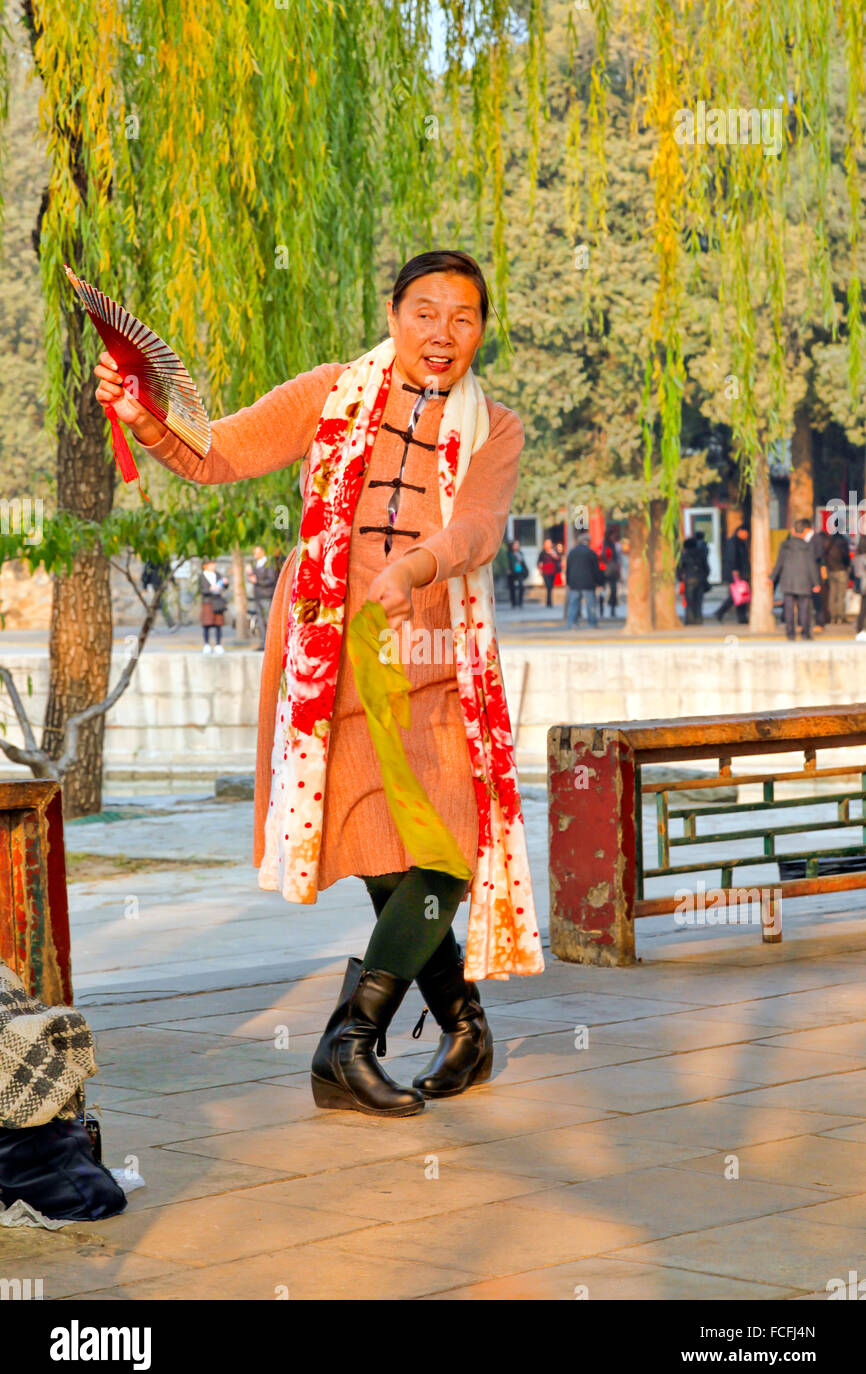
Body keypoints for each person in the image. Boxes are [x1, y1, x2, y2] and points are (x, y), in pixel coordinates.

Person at [94, 248, 542, 1119]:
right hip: (332, 647)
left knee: (446, 845)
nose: (443, 334)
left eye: (463, 317)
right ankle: (463, 1023)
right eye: (425, 312)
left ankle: (350, 1041)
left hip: (433, 653)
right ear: (393, 314)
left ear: (482, 329)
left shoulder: (497, 426)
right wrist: (141, 412)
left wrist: (416, 566)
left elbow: (480, 525)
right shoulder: (332, 391)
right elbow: (217, 451)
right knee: (382, 847)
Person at [769, 517, 822, 641]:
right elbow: (811, 565)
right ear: (804, 532)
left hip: (788, 580)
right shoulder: (808, 546)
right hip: (804, 580)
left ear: (793, 531)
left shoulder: (785, 545)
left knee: (788, 608)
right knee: (805, 608)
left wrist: (772, 578)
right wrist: (816, 583)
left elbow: (779, 563)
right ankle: (805, 633)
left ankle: (790, 633)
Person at [565, 530, 602, 628]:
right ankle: (592, 623)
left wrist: (568, 582)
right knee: (591, 605)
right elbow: (596, 570)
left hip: (574, 583)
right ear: (588, 541)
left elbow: (568, 569)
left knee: (574, 605)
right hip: (588, 583)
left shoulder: (572, 553)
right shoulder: (591, 553)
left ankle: (571, 623)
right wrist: (599, 582)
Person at [715, 523, 750, 623]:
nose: (746, 535)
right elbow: (731, 557)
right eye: (745, 533)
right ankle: (722, 612)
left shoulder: (740, 542)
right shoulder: (733, 542)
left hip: (740, 572)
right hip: (736, 573)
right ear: (740, 531)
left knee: (740, 595)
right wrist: (735, 570)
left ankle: (740, 617)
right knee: (737, 595)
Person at [246, 545, 278, 651]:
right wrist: (250, 573)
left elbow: (271, 580)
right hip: (258, 596)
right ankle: (263, 643)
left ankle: (271, 643)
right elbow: (254, 578)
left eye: (257, 552)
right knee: (260, 621)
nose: (254, 554)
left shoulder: (269, 564)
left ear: (262, 552)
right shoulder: (256, 565)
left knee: (268, 620)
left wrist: (257, 581)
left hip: (267, 596)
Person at [676, 534, 709, 624]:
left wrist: (680, 578)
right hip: (700, 579)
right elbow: (706, 568)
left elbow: (679, 568)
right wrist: (704, 576)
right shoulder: (701, 554)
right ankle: (698, 619)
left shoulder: (684, 555)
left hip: (689, 579)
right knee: (699, 601)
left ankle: (690, 620)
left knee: (689, 602)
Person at [199, 560, 229, 654]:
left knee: (218, 624)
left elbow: (225, 586)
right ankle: (207, 644)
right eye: (211, 564)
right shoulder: (202, 576)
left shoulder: (217, 574)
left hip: (217, 601)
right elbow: (202, 590)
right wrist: (210, 589)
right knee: (207, 625)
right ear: (205, 566)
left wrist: (225, 583)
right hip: (208, 602)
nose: (213, 566)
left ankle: (218, 644)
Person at [824, 529, 852, 623]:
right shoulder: (843, 541)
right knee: (841, 595)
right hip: (841, 569)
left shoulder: (828, 541)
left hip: (831, 570)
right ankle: (840, 617)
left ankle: (832, 617)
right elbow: (846, 556)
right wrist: (847, 566)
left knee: (832, 594)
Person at [806, 524, 828, 631]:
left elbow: (819, 556)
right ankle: (805, 623)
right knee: (805, 600)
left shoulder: (817, 539)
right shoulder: (801, 539)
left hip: (815, 574)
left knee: (817, 600)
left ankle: (819, 623)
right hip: (805, 574)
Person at [601, 525, 622, 617]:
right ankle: (601, 609)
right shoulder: (604, 545)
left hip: (612, 570)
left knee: (613, 591)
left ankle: (612, 609)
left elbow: (617, 559)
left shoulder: (614, 545)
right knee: (603, 590)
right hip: (605, 570)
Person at [538, 538, 560, 608]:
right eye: (547, 543)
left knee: (551, 586)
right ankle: (549, 602)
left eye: (549, 543)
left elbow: (558, 559)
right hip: (545, 571)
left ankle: (549, 602)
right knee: (548, 586)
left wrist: (554, 555)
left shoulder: (554, 551)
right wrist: (540, 569)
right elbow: (539, 561)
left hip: (553, 571)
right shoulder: (543, 552)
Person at [506, 538, 528, 608]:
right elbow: (507, 563)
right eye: (515, 545)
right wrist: (508, 569)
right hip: (512, 573)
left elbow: (523, 563)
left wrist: (526, 570)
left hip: (519, 572)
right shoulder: (509, 554)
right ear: (512, 546)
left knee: (521, 586)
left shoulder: (520, 553)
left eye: (517, 545)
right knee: (512, 588)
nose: (516, 546)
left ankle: (520, 602)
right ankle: (513, 603)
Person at [854, 535, 866, 642]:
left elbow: (856, 573)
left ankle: (860, 627)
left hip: (862, 585)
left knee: (862, 608)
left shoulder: (857, 557)